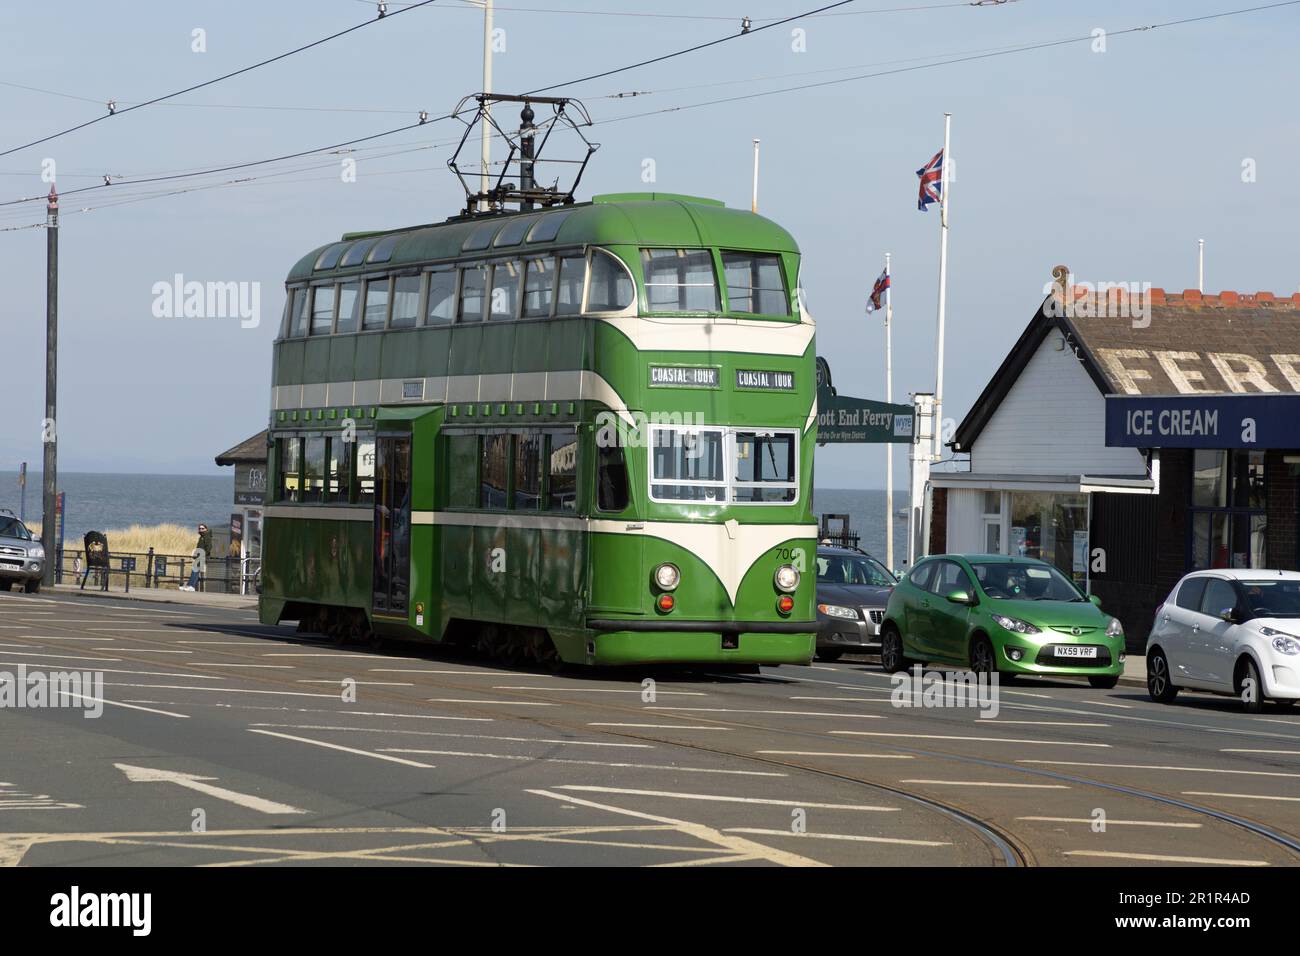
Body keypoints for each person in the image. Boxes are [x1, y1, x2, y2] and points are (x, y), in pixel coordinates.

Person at [181, 523, 211, 592]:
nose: (201, 530)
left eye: (202, 528)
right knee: (194, 571)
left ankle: (192, 586)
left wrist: (202, 555)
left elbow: (208, 548)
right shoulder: (201, 537)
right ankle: (190, 586)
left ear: (206, 529)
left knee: (195, 571)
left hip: (202, 557)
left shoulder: (207, 537)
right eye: (200, 528)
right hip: (199, 557)